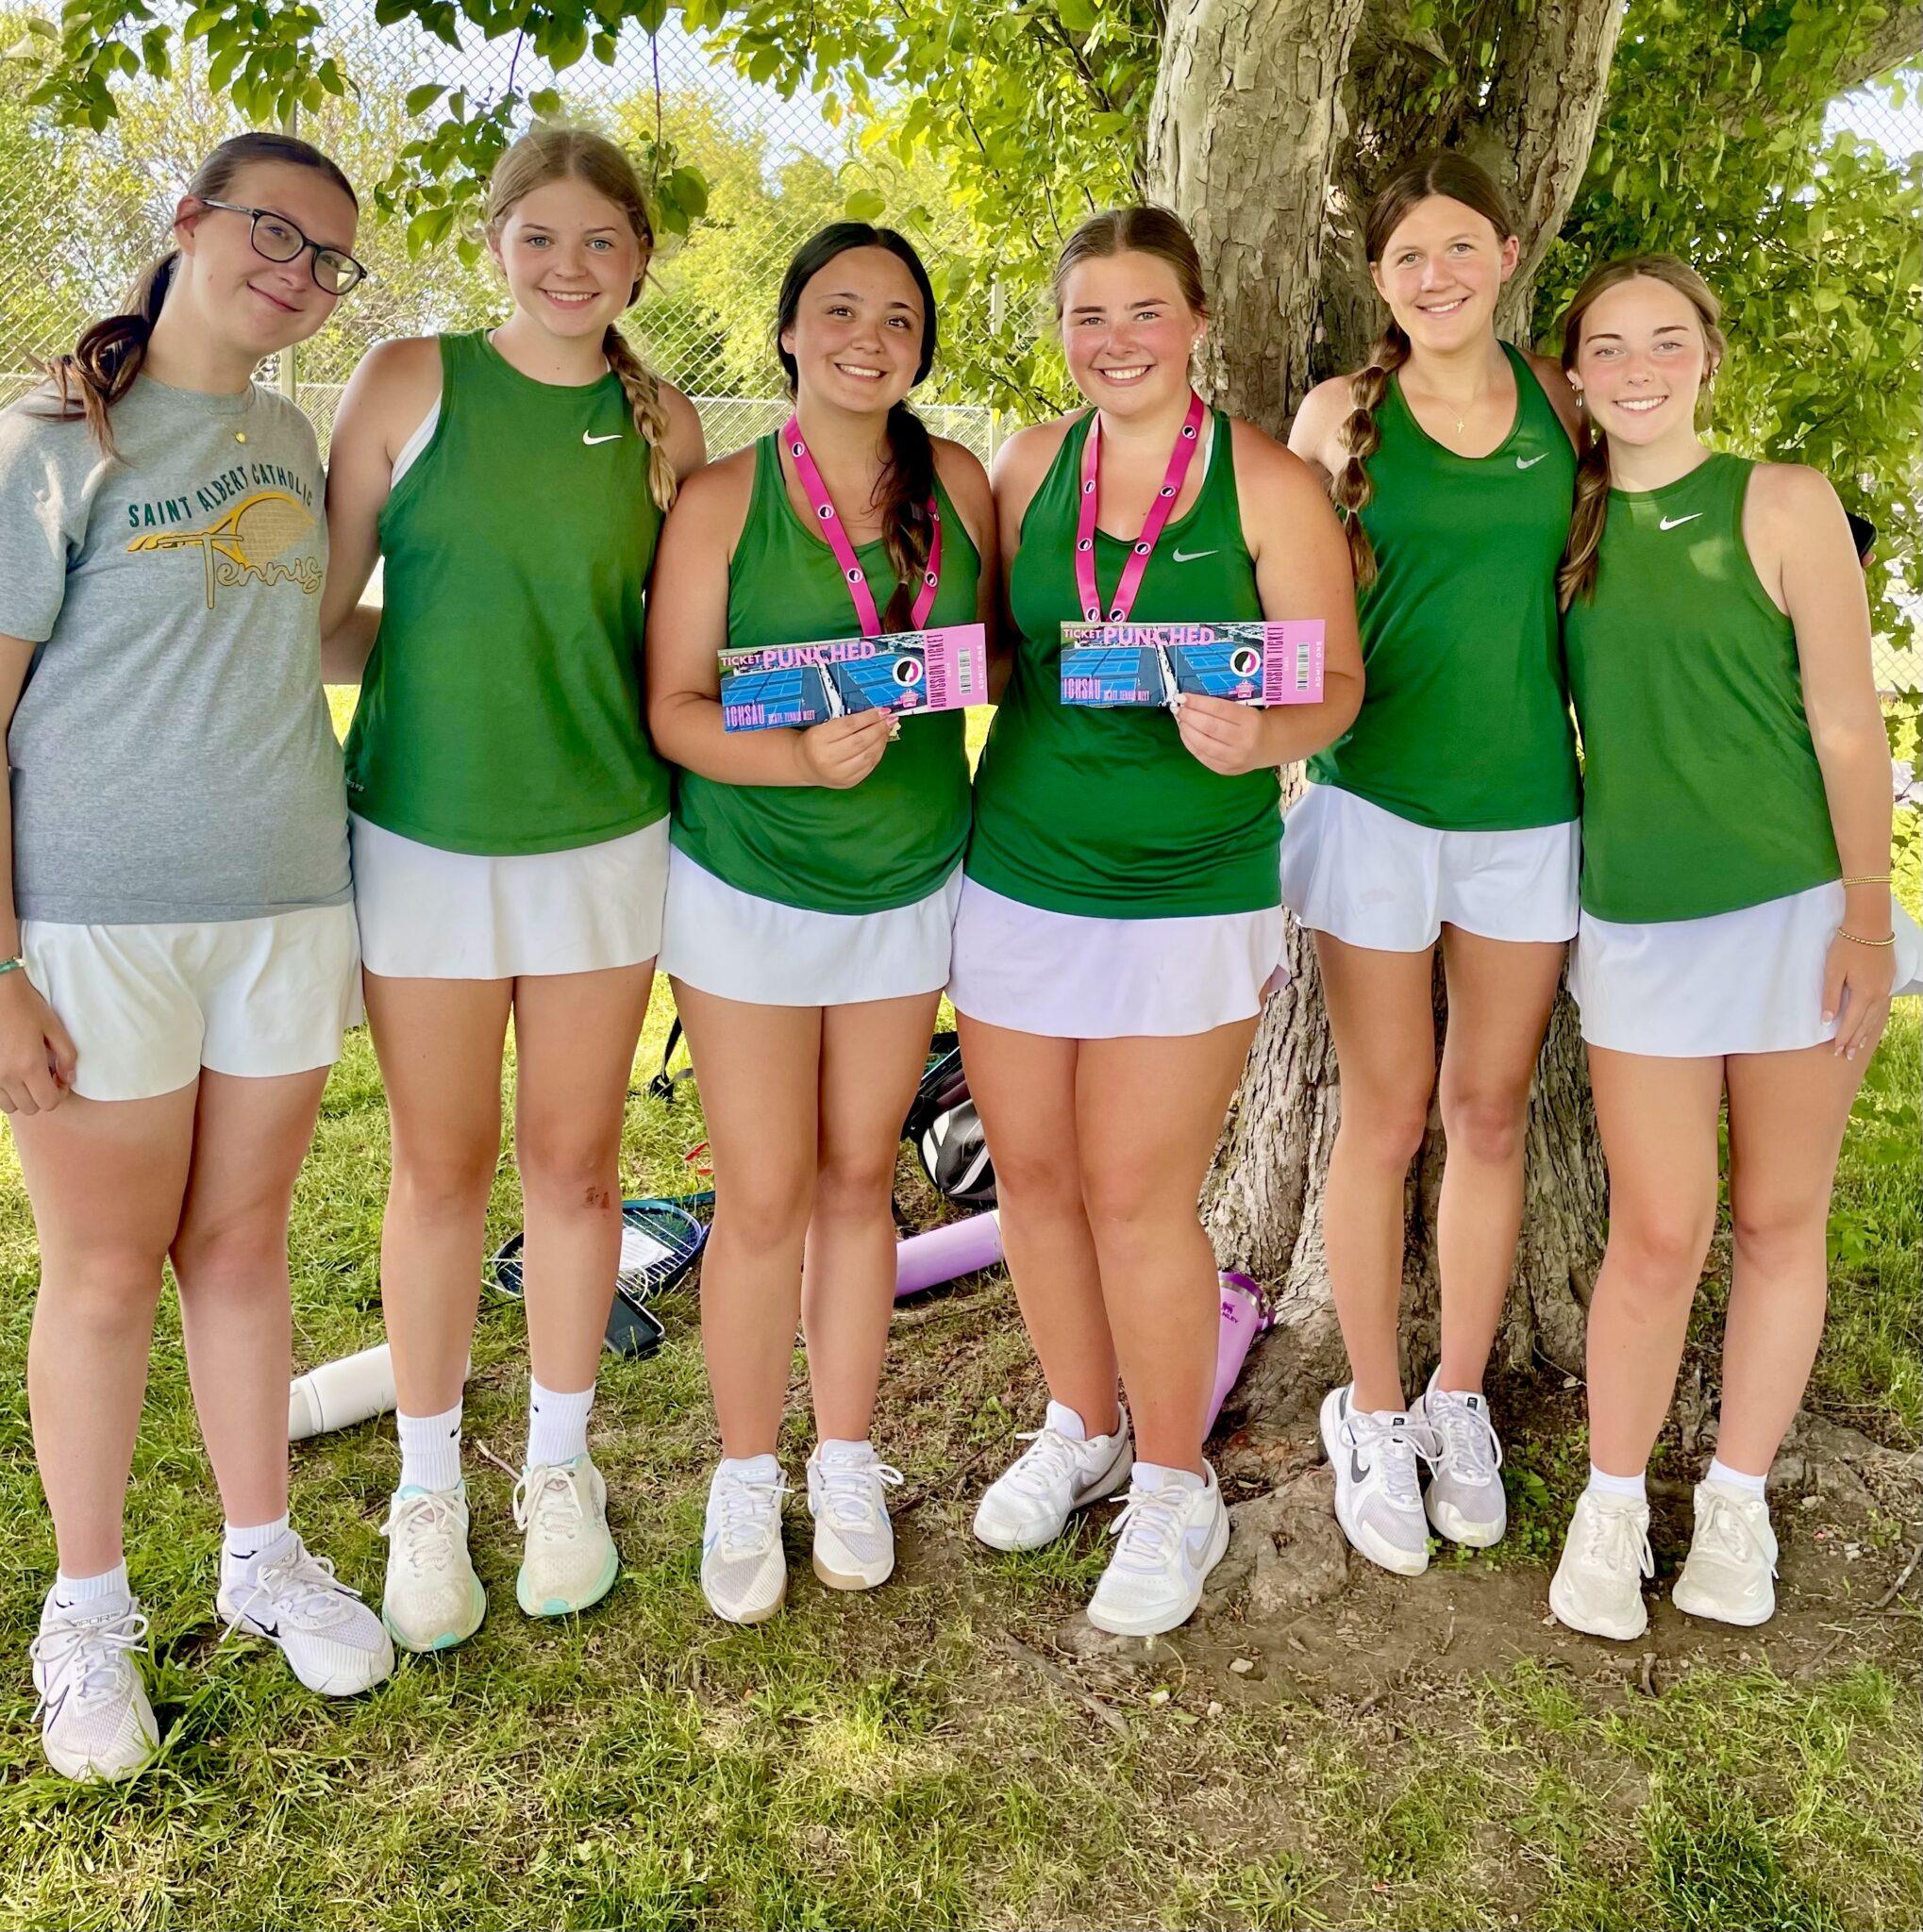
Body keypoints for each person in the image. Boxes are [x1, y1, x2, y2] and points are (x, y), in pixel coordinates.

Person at [0, 133, 392, 1782]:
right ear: (188, 224)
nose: (295, 277)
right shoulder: (50, 436)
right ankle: (85, 1614)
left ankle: (260, 1556)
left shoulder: (291, 436)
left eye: (328, 261)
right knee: (102, 1270)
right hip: (97, 922)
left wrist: (506, 611)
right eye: (272, 235)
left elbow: (305, 635)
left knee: (239, 1249)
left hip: (288, 907)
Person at [952, 206, 1362, 1637]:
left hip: (1189, 890)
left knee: (1137, 1197)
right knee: (1035, 1183)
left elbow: (1333, 693)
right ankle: (1082, 1425)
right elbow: (993, 650)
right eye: (1086, 317)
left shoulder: (1263, 487)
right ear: (1059, 332)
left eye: (1142, 313)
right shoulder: (1022, 467)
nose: (1114, 342)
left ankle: (1175, 1483)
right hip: (1014, 870)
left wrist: (1264, 739)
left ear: (1196, 324)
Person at [321, 126, 704, 1652]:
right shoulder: (409, 382)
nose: (568, 268)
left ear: (638, 260)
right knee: (437, 1167)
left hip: (604, 839)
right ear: (496, 244)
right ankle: (427, 1494)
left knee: (576, 1169)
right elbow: (322, 615)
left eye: (599, 243)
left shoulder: (663, 418)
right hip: (420, 833)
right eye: (538, 238)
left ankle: (558, 1467)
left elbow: (675, 640)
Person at [646, 223, 995, 1624]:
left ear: (921, 347)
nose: (868, 335)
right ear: (788, 330)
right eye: (838, 309)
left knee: (862, 1183)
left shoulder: (959, 481)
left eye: (898, 317)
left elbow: (1010, 655)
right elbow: (673, 707)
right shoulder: (725, 497)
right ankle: (744, 1473)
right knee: (765, 1192)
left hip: (908, 879)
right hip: (746, 884)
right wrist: (797, 754)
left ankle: (842, 1456)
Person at [1548, 255, 1898, 1640]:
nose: (1637, 368)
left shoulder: (1782, 500)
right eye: (1608, 348)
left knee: (1775, 1218)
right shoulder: (1557, 529)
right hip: (1634, 921)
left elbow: (1844, 722)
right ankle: (1610, 1504)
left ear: (1707, 355)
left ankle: (1735, 1504)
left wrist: (1867, 917)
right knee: (1655, 1232)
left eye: (1665, 341)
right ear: (1572, 376)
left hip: (1795, 912)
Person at [1283, 152, 1582, 1577]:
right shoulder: (1341, 416)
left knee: (1490, 1109)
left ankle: (1457, 1397)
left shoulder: (1564, 409)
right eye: (1409, 255)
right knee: (1385, 1113)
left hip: (1528, 809)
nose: (1436, 274)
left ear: (1504, 254)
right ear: (1380, 276)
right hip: (1372, 806)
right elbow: (1284, 600)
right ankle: (1373, 1405)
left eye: (1460, 247)